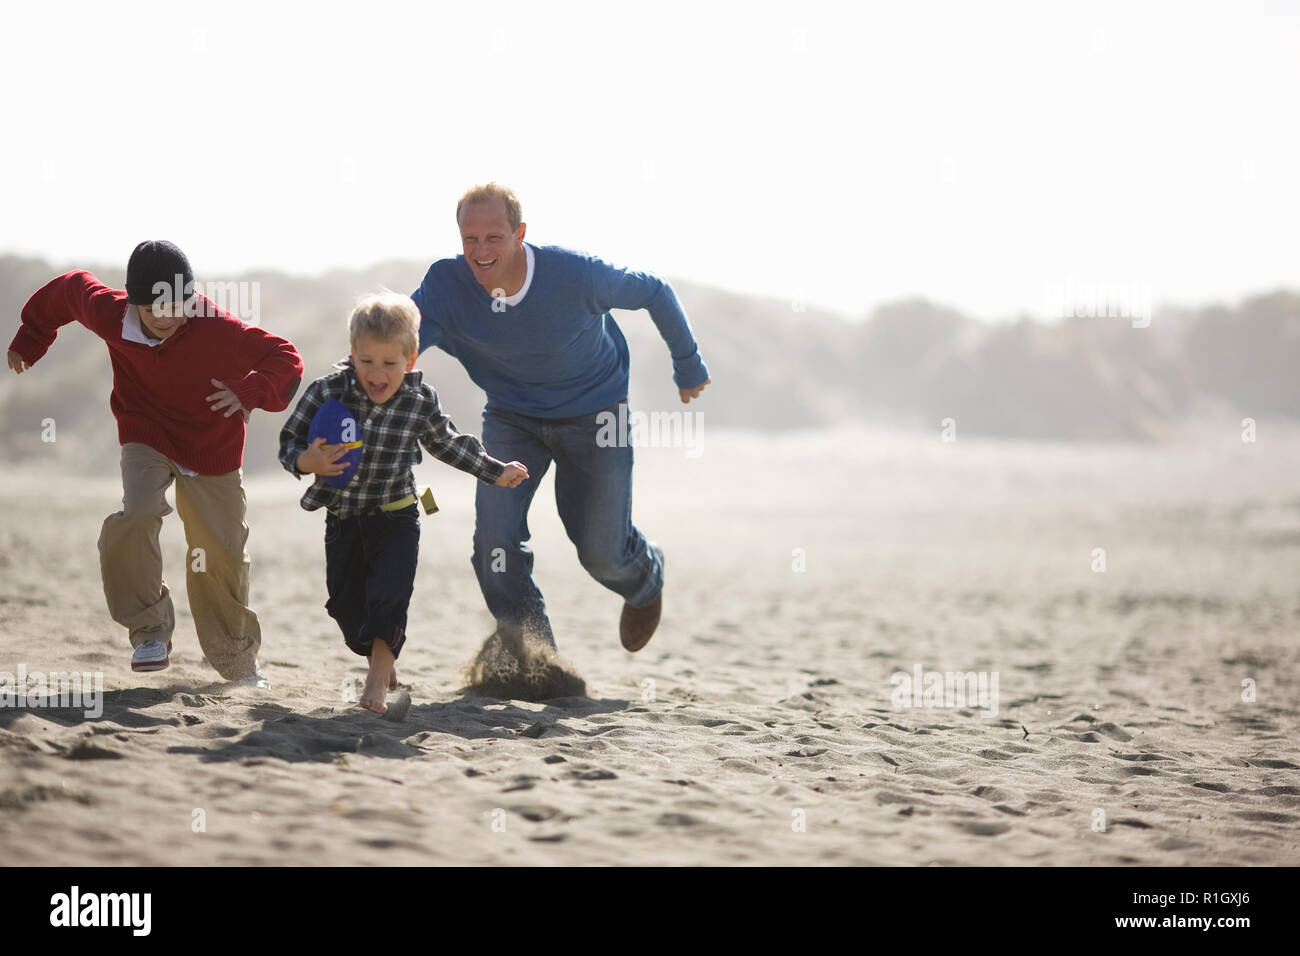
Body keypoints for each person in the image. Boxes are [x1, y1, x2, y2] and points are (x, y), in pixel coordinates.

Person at [411, 182, 711, 654]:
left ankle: (644, 578)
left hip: (597, 414)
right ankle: (534, 654)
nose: (481, 251)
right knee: (494, 543)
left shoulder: (575, 274)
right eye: (470, 239)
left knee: (602, 553)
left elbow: (654, 289)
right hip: (512, 418)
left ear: (520, 233)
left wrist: (688, 364)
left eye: (494, 237)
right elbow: (398, 344)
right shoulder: (446, 285)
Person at [7, 240, 303, 683]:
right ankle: (150, 631)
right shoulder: (110, 313)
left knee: (218, 550)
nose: (167, 316)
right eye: (154, 308)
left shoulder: (216, 327)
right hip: (145, 432)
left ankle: (237, 660)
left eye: (177, 304)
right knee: (139, 512)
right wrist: (31, 338)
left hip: (211, 446)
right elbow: (68, 290)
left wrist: (250, 391)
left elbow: (286, 357)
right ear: (135, 304)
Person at [278, 292, 528, 713]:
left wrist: (495, 470)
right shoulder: (328, 391)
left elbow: (448, 444)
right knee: (344, 606)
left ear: (410, 360)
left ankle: (376, 680)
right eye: (367, 361)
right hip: (344, 519)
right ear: (352, 353)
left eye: (389, 364)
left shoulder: (418, 400)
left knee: (389, 597)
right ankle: (381, 653)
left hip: (396, 517)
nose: (377, 374)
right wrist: (308, 459)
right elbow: (289, 440)